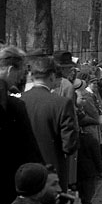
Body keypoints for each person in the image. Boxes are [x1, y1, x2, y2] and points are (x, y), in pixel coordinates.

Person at [21, 56, 79, 191]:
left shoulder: (19, 101)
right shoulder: (62, 103)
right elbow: (69, 145)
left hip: (25, 173)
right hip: (53, 172)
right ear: (52, 76)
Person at [0, 46, 44, 204]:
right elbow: (30, 152)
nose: (19, 80)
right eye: (19, 75)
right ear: (11, 70)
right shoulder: (13, 106)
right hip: (8, 189)